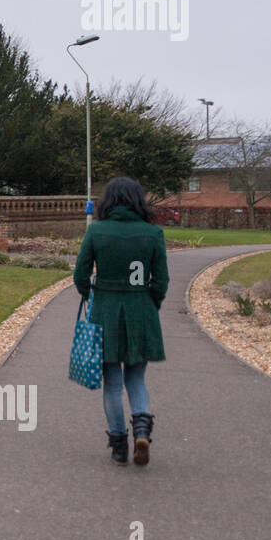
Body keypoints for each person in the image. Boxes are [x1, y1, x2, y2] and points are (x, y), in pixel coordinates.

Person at [73, 176, 170, 466]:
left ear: (108, 201)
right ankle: (142, 429)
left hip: (106, 310)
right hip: (142, 310)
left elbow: (80, 275)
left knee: (112, 383)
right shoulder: (153, 234)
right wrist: (151, 303)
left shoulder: (97, 232)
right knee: (137, 379)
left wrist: (90, 295)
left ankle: (119, 446)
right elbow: (161, 281)